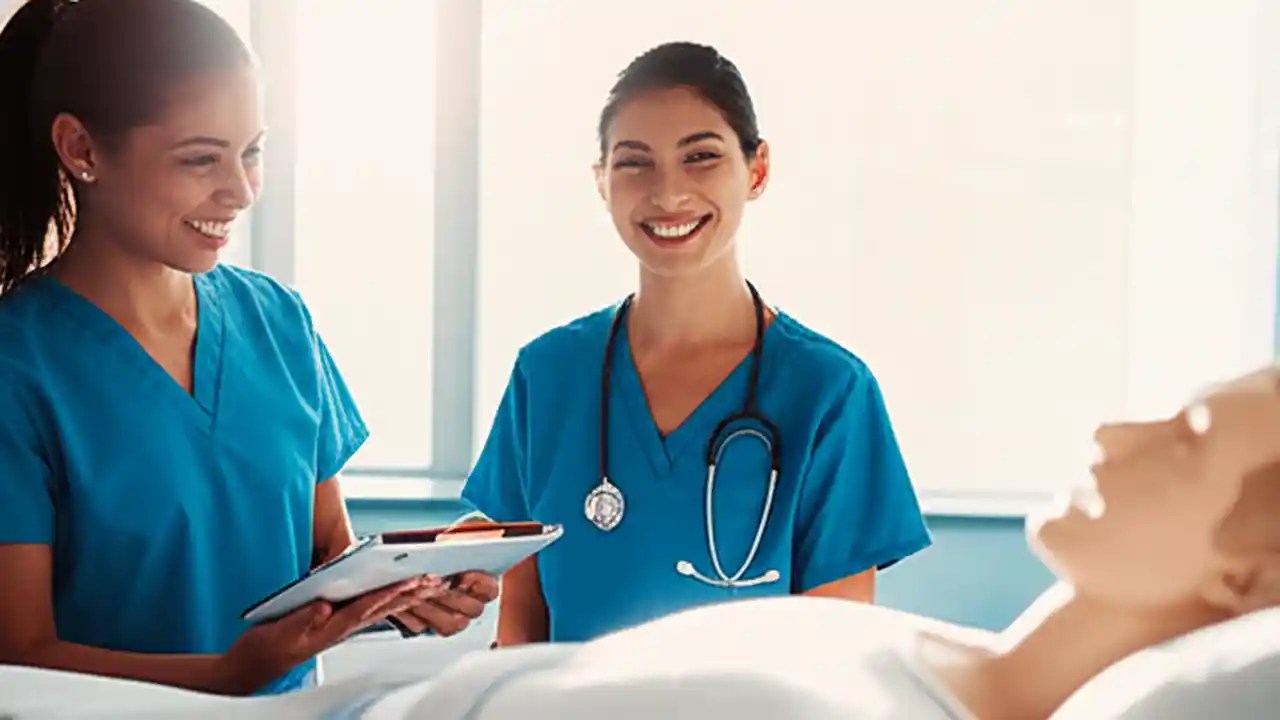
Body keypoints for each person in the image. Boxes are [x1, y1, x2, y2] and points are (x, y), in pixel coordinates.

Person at [4, 363, 1278, 719]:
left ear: (1247, 576)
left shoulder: (821, 394)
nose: (1115, 427)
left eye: (1186, 434)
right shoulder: (916, 656)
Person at [0, 0, 497, 697]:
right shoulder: (18, 367)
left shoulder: (280, 324)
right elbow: (18, 651)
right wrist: (225, 678)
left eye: (252, 152)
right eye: (201, 158)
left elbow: (329, 555)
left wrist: (403, 592)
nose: (239, 190)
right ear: (81, 149)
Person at [459, 41, 933, 645]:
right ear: (601, 181)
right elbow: (521, 636)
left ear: (756, 170)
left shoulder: (829, 393)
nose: (668, 194)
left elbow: (836, 662)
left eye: (701, 157)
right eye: (635, 163)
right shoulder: (548, 376)